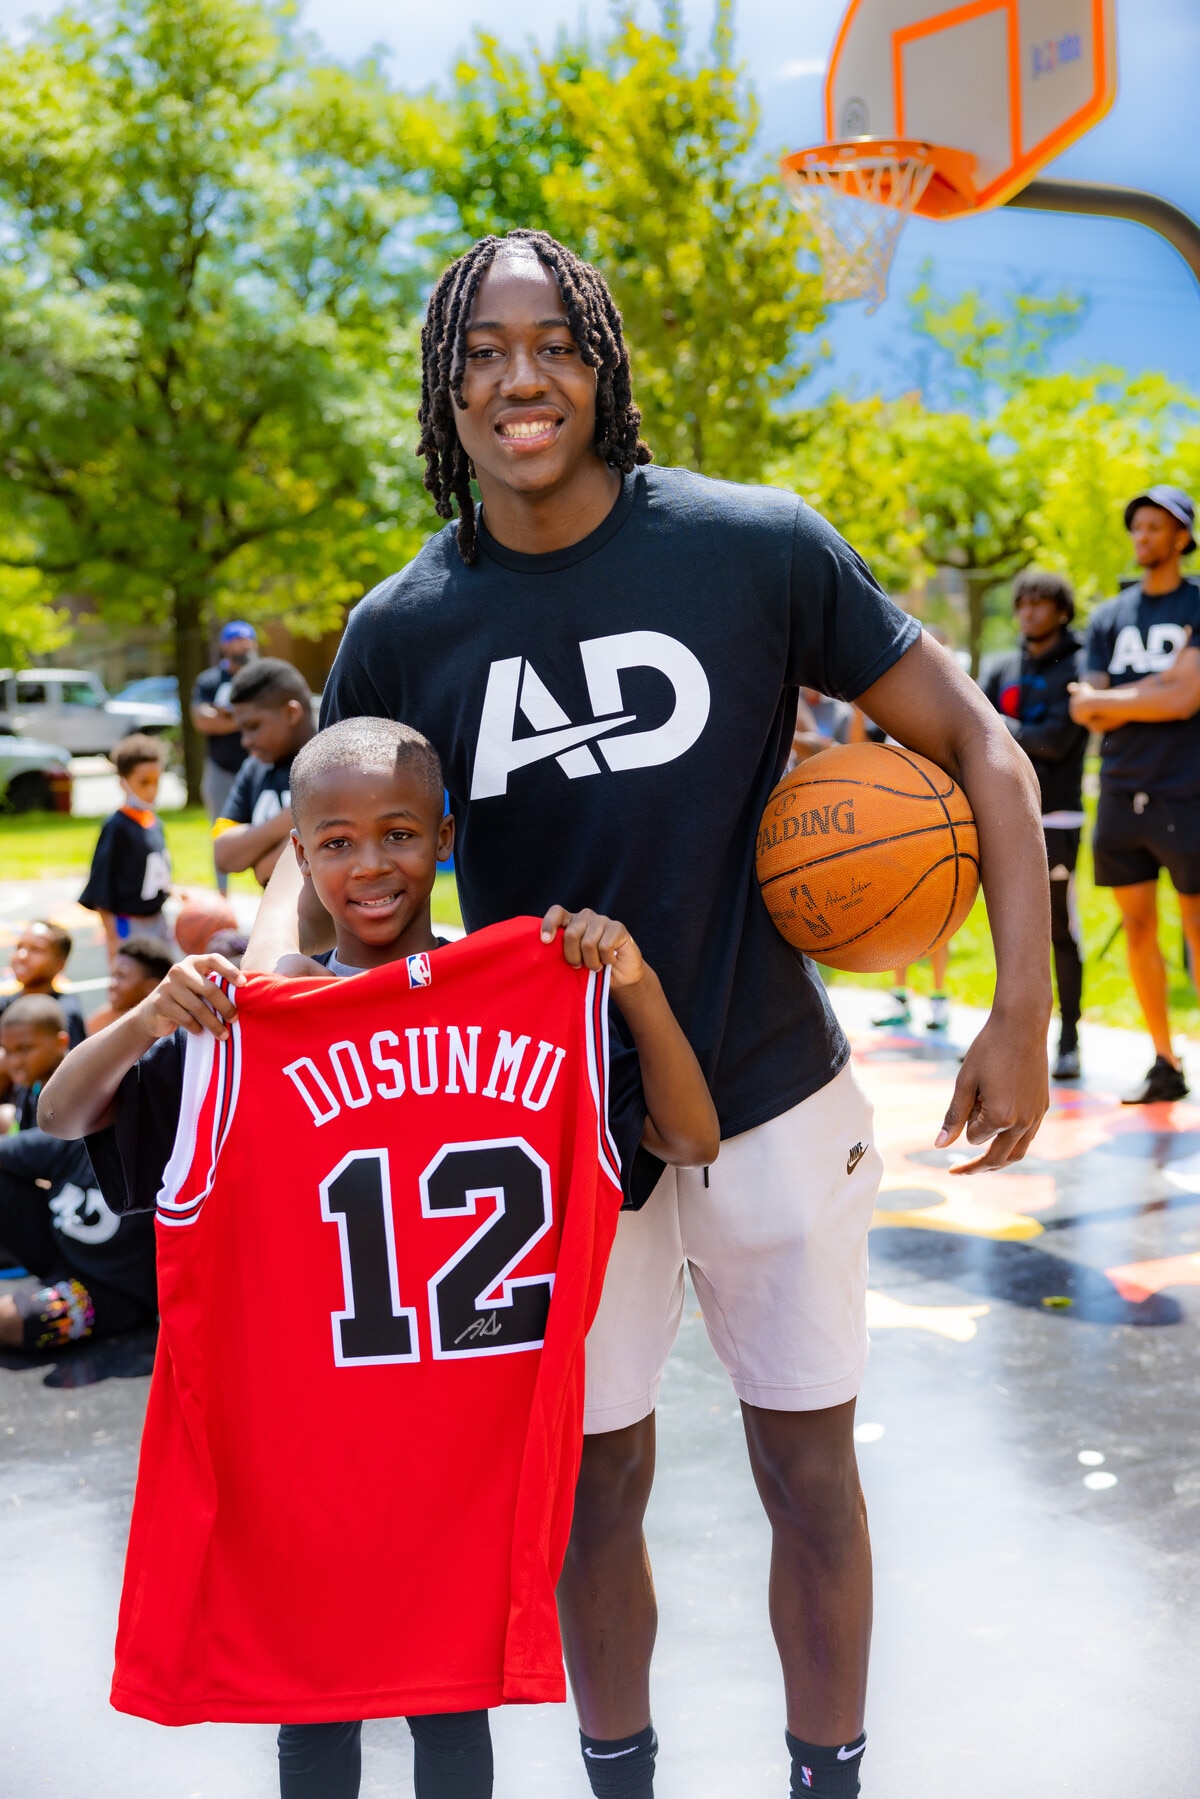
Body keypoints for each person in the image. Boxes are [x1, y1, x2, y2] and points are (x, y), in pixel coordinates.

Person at [306, 229, 1049, 1799]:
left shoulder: (752, 543)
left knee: (809, 1474)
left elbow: (986, 744)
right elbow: (356, 887)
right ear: (445, 390)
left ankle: (824, 1774)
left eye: (554, 344)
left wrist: (1021, 1006)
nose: (523, 378)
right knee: (591, 1490)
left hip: (770, 1086)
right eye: (485, 352)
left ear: (603, 366)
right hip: (551, 1130)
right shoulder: (402, 626)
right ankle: (621, 1774)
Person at [40, 715, 717, 1799]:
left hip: (462, 1450)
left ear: (444, 836)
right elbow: (65, 1108)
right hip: (311, 1453)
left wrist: (632, 981)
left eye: (399, 834)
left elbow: (689, 1140)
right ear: (299, 854)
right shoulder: (248, 1025)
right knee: (315, 1719)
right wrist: (143, 1019)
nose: (372, 864)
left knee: (451, 1717)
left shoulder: (537, 1001)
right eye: (339, 841)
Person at [1070, 486, 1200, 1104]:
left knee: (1197, 931)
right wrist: (1157, 687)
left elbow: (1185, 700)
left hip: (1188, 792)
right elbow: (1085, 710)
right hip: (1122, 793)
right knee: (1138, 927)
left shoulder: (1198, 603)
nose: (1143, 536)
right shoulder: (1108, 617)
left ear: (1182, 536)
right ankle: (1165, 1062)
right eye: (1137, 527)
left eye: (1156, 527)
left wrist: (1118, 700)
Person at [0, 995, 155, 1353]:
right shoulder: (72, 1132)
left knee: (16, 1322)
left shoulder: (167, 1148)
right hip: (58, 1251)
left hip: (113, 1291)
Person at [982, 570, 1089, 1080]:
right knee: (1008, 932)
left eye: (1039, 603)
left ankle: (1069, 1037)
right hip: (1001, 815)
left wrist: (997, 729)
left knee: (1059, 931)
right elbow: (968, 727)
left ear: (1061, 610)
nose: (1028, 612)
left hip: (1059, 816)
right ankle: (1006, 1040)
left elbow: (1058, 740)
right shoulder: (1003, 666)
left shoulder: (1081, 662)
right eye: (1022, 603)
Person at [212, 658, 315, 888]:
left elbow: (266, 872)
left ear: (291, 713)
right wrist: (296, 816)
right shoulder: (254, 768)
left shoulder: (334, 763)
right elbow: (223, 853)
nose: (245, 741)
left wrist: (261, 856)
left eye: (254, 726)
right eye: (242, 730)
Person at [79, 734, 173, 964]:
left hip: (158, 919)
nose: (152, 790)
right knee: (134, 981)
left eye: (156, 781)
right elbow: (101, 886)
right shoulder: (116, 826)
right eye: (143, 782)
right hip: (129, 923)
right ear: (123, 781)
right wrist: (112, 935)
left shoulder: (154, 822)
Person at [191, 621, 258, 894]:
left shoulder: (260, 677)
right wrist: (246, 717)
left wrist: (227, 714)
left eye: (246, 640)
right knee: (220, 832)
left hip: (256, 767)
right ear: (223, 644)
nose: (241, 645)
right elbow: (203, 721)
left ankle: (270, 897)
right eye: (235, 640)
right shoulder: (209, 681)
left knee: (267, 832)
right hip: (220, 769)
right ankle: (222, 899)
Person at [0, 920, 86, 1049]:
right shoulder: (4, 1006)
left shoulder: (64, 1013)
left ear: (59, 964)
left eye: (36, 949)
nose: (21, 956)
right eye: (19, 947)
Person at [86, 935, 175, 1036]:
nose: (112, 984)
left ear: (151, 987)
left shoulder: (171, 1035)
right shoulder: (103, 1021)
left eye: (122, 976)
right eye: (113, 975)